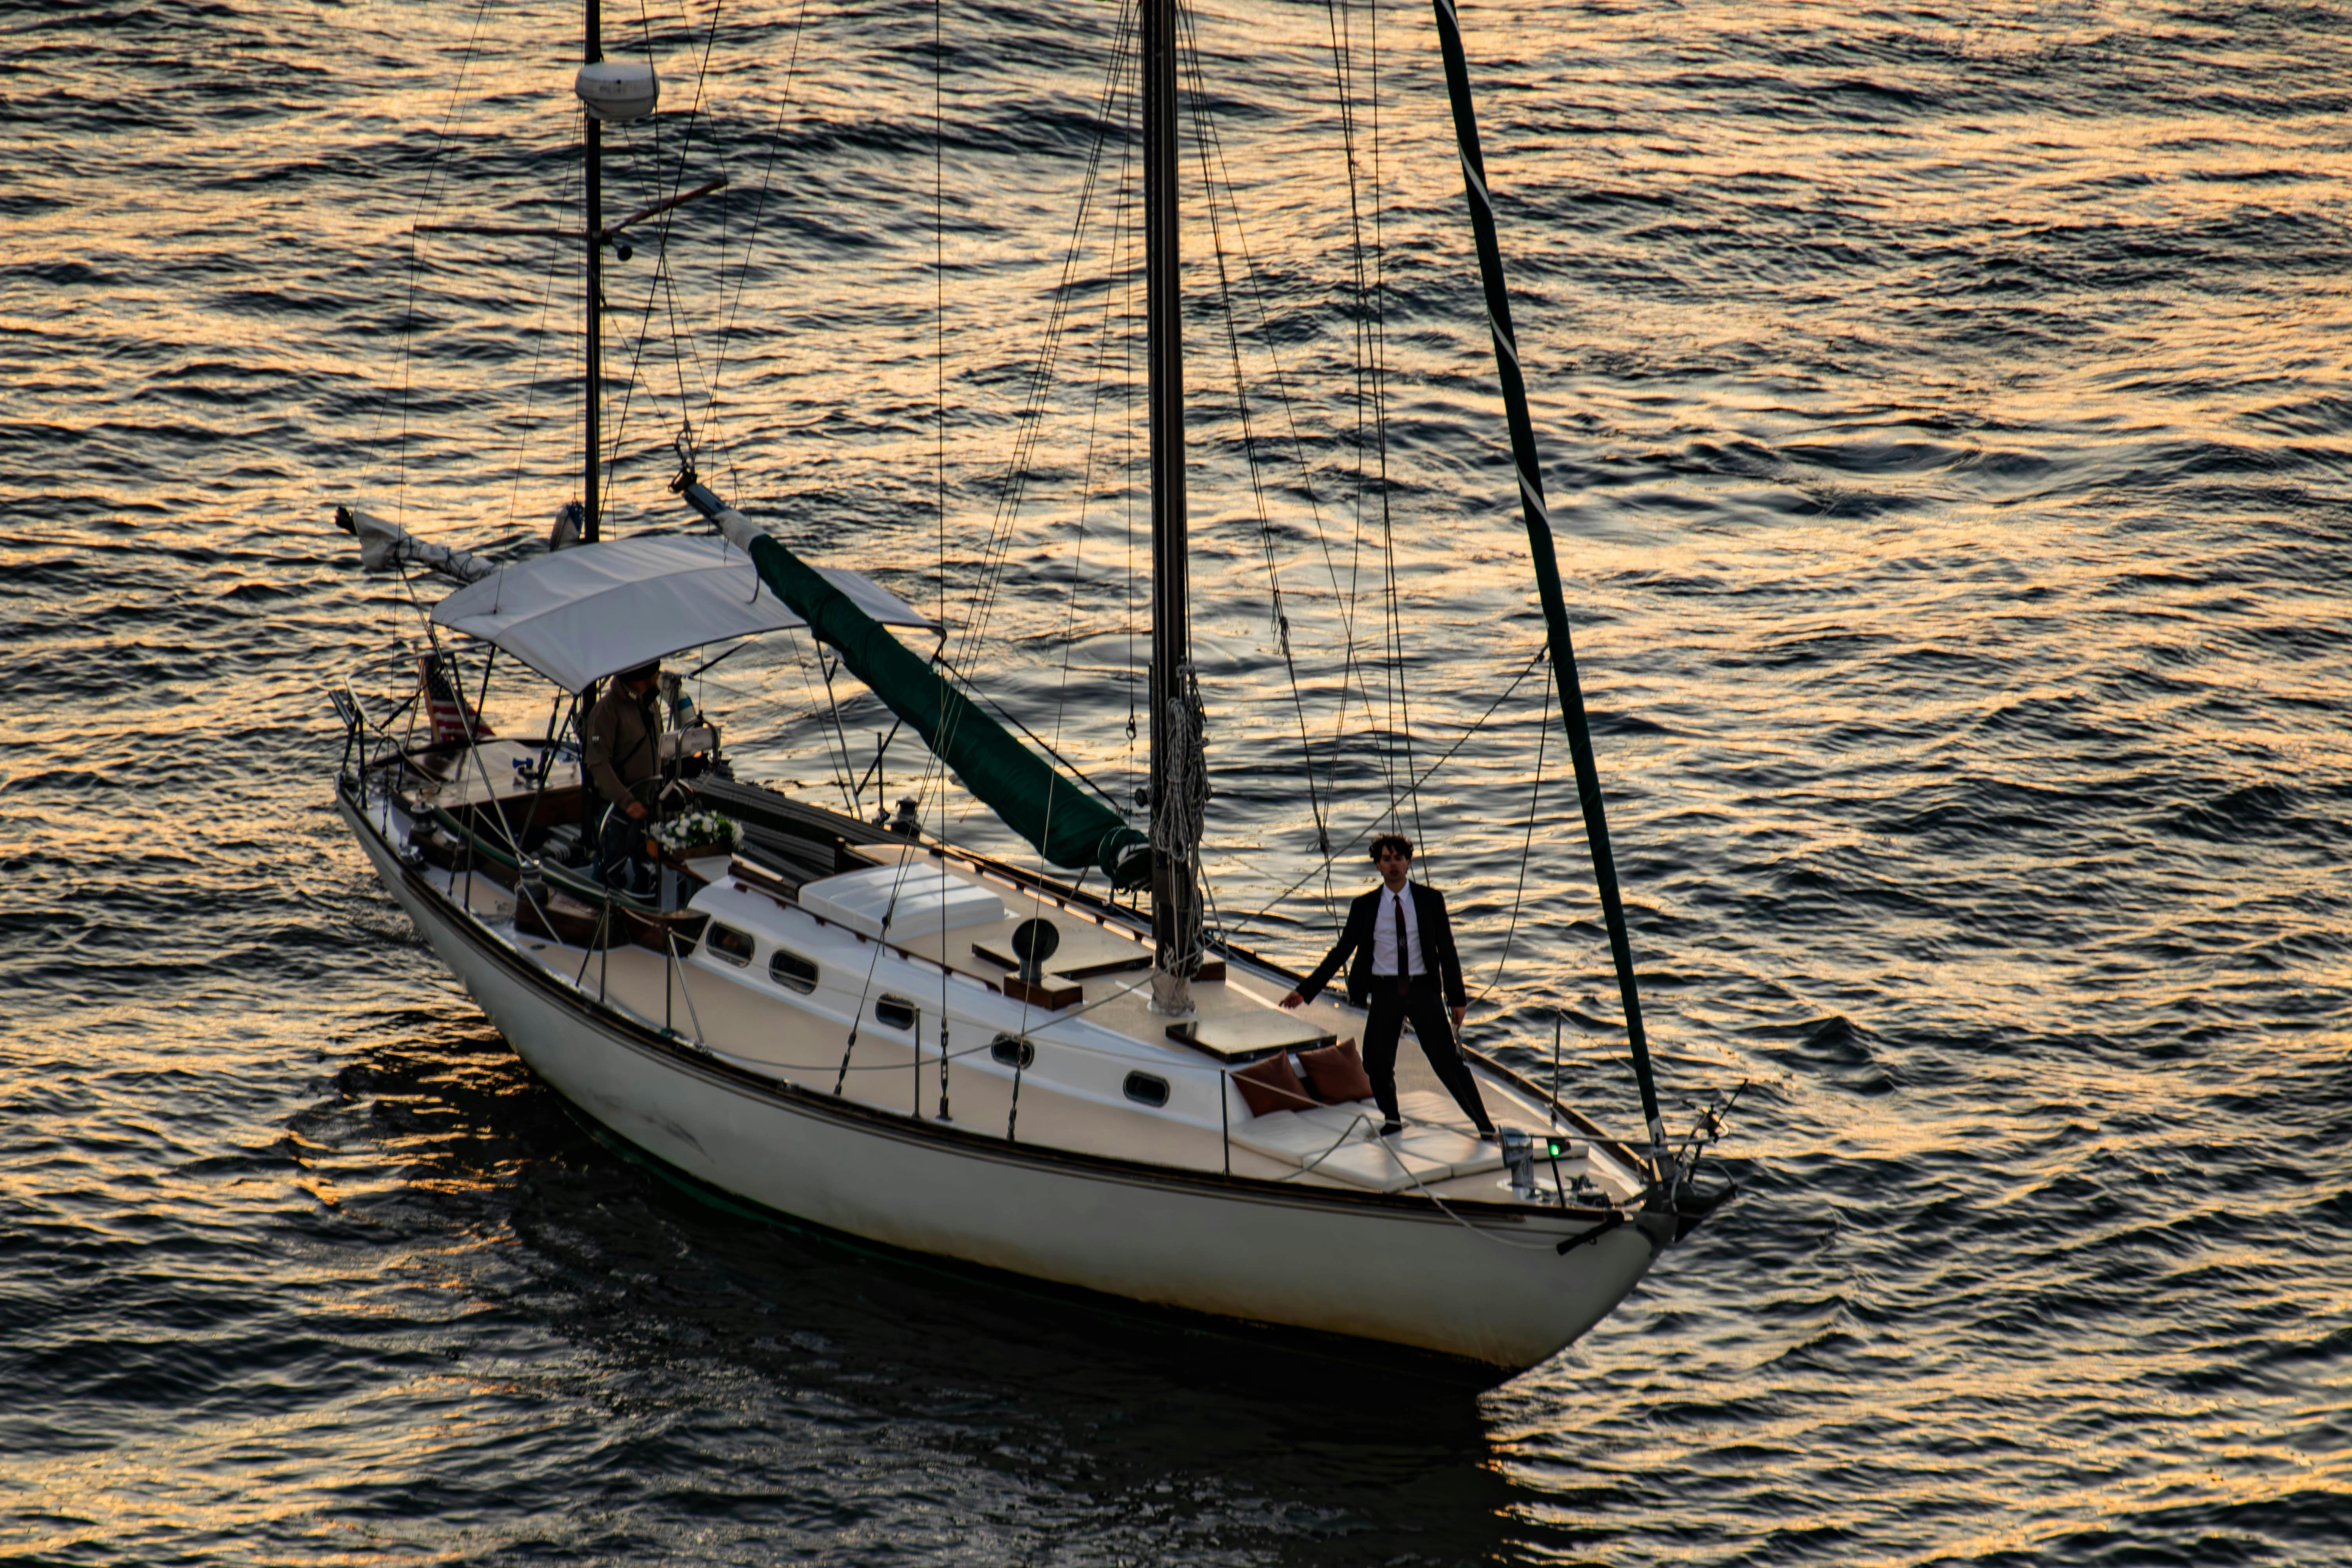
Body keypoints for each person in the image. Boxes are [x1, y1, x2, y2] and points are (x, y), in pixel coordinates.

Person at [1281, 834, 1496, 1140]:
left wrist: (1457, 999)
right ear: (1378, 866)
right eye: (1387, 859)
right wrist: (1305, 991)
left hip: (1424, 991)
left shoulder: (1430, 900)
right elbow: (1341, 953)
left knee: (1448, 1062)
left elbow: (1447, 950)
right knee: (1376, 1062)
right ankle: (1392, 1120)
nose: (1393, 864)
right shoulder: (1365, 906)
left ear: (1409, 862)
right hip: (1385, 992)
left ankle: (1485, 1126)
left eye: (1399, 858)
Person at [584, 659, 663, 894]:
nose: (660, 675)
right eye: (657, 672)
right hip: (617, 809)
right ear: (645, 677)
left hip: (648, 805)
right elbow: (597, 764)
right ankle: (599, 910)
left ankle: (642, 905)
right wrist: (627, 803)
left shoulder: (650, 703)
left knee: (648, 867)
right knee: (609, 867)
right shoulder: (606, 711)